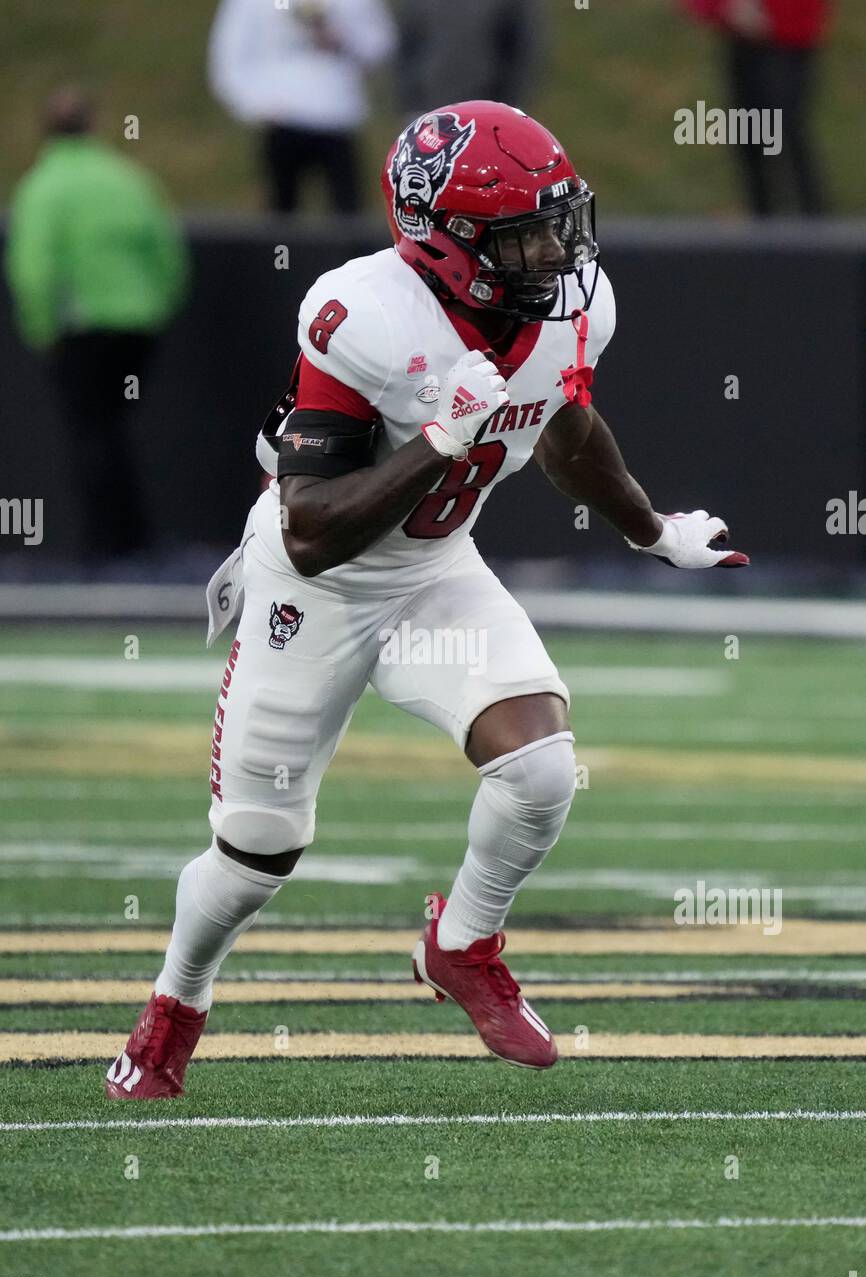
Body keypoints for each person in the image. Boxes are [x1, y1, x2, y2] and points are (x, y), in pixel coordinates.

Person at [106, 101, 748, 1099]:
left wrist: (650, 531)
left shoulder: (574, 308)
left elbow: (566, 429)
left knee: (538, 769)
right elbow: (312, 528)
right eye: (522, 233)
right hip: (312, 586)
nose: (553, 250)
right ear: (441, 240)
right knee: (255, 853)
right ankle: (174, 1005)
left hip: (432, 570)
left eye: (558, 220)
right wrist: (436, 444)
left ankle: (461, 943)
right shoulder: (362, 316)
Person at [4, 87, 188, 562]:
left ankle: (106, 549)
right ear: (92, 124)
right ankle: (136, 543)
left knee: (91, 433)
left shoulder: (43, 186)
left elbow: (34, 269)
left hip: (81, 328)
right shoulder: (127, 178)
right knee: (112, 429)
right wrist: (157, 308)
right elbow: (167, 253)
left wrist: (43, 330)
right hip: (137, 327)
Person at [208, 0, 397, 213]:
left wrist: (340, 38)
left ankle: (348, 248)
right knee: (281, 214)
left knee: (347, 213)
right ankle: (281, 248)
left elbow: (380, 43)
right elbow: (230, 53)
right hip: (281, 118)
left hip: (338, 116)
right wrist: (253, 106)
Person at [680, 0, 834, 214]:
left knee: (786, 135)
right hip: (745, 41)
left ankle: (816, 233)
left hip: (788, 42)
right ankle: (763, 233)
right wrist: (726, 7)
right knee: (749, 139)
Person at [394, 0, 547, 120]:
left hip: (488, 110)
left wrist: (508, 105)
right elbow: (407, 48)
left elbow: (521, 50)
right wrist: (411, 104)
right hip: (430, 109)